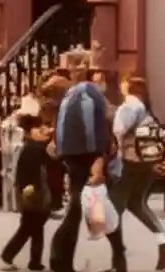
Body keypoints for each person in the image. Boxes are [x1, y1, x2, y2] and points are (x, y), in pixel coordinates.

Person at [48, 71, 126, 272]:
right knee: (100, 206)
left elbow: (60, 138)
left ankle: (61, 259)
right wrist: (100, 157)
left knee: (80, 208)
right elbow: (96, 131)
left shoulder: (70, 100)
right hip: (91, 159)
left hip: (75, 158)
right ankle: (117, 257)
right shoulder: (87, 94)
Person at [111, 74, 165, 271]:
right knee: (136, 203)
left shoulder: (129, 106)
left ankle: (118, 261)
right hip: (146, 162)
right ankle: (164, 241)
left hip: (129, 162)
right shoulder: (146, 109)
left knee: (114, 209)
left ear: (128, 88)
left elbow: (119, 131)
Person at [0, 114, 52, 271]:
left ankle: (35, 261)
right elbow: (26, 176)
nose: (43, 130)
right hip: (31, 195)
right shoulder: (31, 149)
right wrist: (30, 193)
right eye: (38, 128)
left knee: (37, 228)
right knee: (28, 228)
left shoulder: (35, 147)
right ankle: (7, 255)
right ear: (30, 131)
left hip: (35, 194)